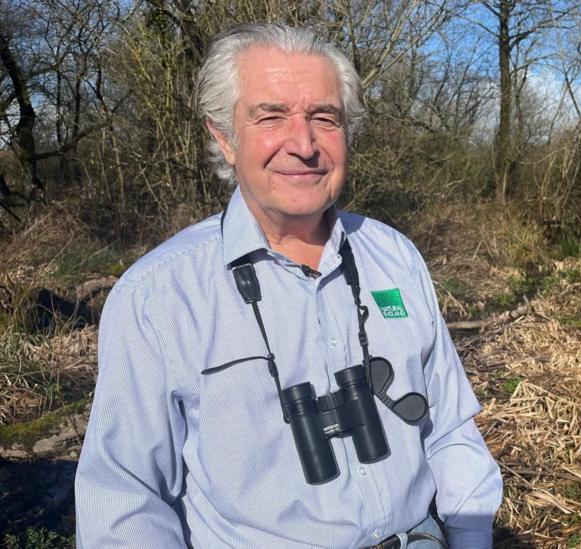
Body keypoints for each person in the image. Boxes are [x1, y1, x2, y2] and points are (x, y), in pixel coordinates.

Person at [75, 23, 502, 548]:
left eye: (325, 117)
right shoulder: (160, 296)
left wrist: (470, 535)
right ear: (224, 138)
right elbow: (124, 501)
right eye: (271, 116)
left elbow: (451, 429)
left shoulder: (395, 257)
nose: (304, 145)